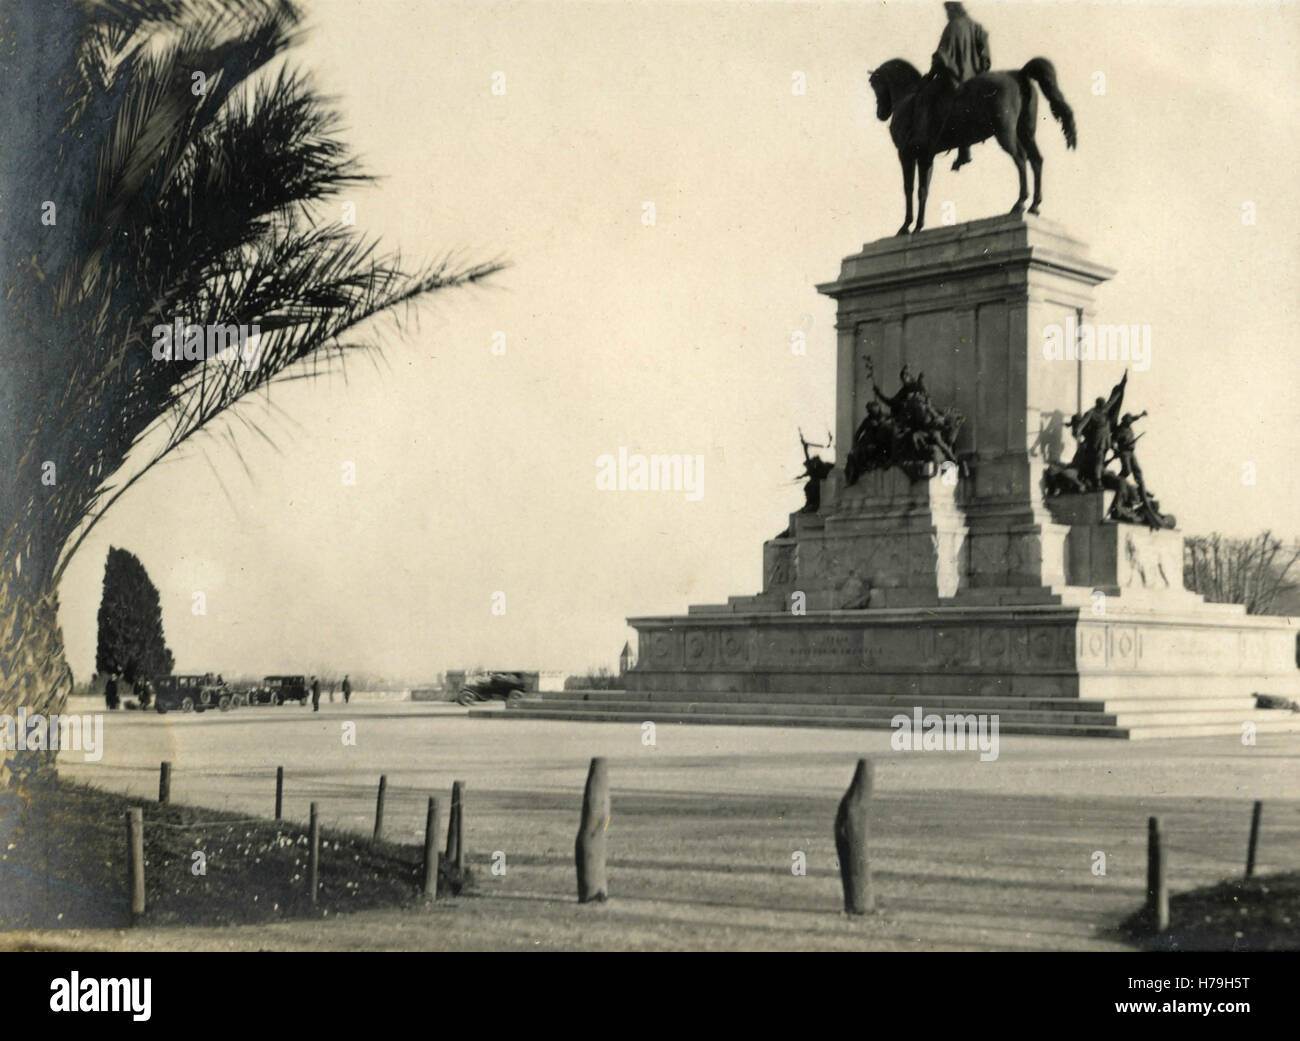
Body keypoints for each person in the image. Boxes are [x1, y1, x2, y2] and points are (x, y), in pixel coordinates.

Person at [924, 3, 992, 172]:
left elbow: (941, 55)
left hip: (954, 78)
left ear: (952, 10)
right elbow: (986, 57)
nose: (947, 14)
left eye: (947, 10)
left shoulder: (952, 26)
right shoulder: (977, 26)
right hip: (975, 80)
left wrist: (931, 74)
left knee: (926, 98)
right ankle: (964, 150)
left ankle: (928, 139)